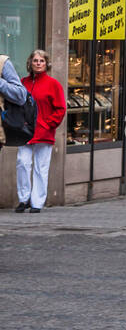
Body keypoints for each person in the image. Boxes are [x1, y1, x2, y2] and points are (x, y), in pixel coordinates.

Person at [17, 49, 66, 213]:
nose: (38, 63)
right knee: (22, 163)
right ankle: (23, 199)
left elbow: (60, 109)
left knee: (40, 167)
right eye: (35, 60)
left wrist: (47, 124)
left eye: (41, 61)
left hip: (44, 132)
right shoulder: (22, 82)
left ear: (46, 64)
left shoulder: (53, 84)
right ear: (30, 63)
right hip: (24, 131)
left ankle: (37, 202)